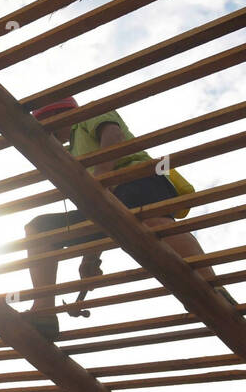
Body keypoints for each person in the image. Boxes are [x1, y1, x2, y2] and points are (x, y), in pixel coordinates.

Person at [22, 98, 217, 340]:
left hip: (137, 177)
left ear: (55, 115)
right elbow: (98, 208)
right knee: (40, 228)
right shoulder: (70, 154)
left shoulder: (85, 117)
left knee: (153, 222)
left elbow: (113, 135)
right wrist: (89, 259)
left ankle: (211, 288)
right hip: (105, 200)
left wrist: (103, 177)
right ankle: (44, 312)